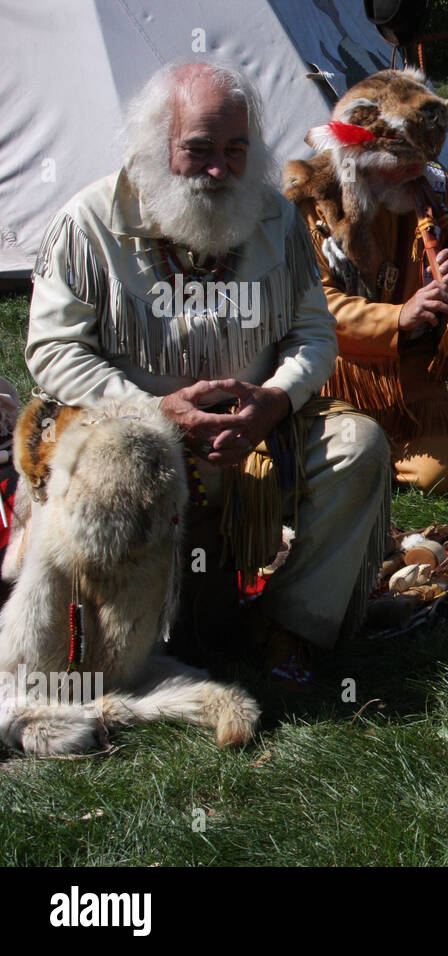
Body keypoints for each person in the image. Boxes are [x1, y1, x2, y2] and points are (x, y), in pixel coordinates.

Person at [24, 62, 390, 687]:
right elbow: (54, 350)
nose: (219, 168)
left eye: (235, 150)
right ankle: (128, 646)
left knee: (360, 447)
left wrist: (275, 400)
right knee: (111, 467)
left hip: (256, 434)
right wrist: (153, 412)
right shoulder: (89, 223)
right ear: (155, 147)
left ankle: (287, 631)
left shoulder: (276, 219)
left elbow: (312, 335)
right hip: (130, 434)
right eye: (198, 150)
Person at [283, 68, 448, 493]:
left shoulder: (438, 190)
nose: (416, 174)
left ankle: (373, 455)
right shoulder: (308, 203)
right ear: (357, 156)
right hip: (337, 375)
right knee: (339, 466)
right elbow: (309, 304)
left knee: (438, 476)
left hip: (413, 376)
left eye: (422, 162)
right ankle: (351, 451)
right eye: (402, 164)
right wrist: (398, 316)